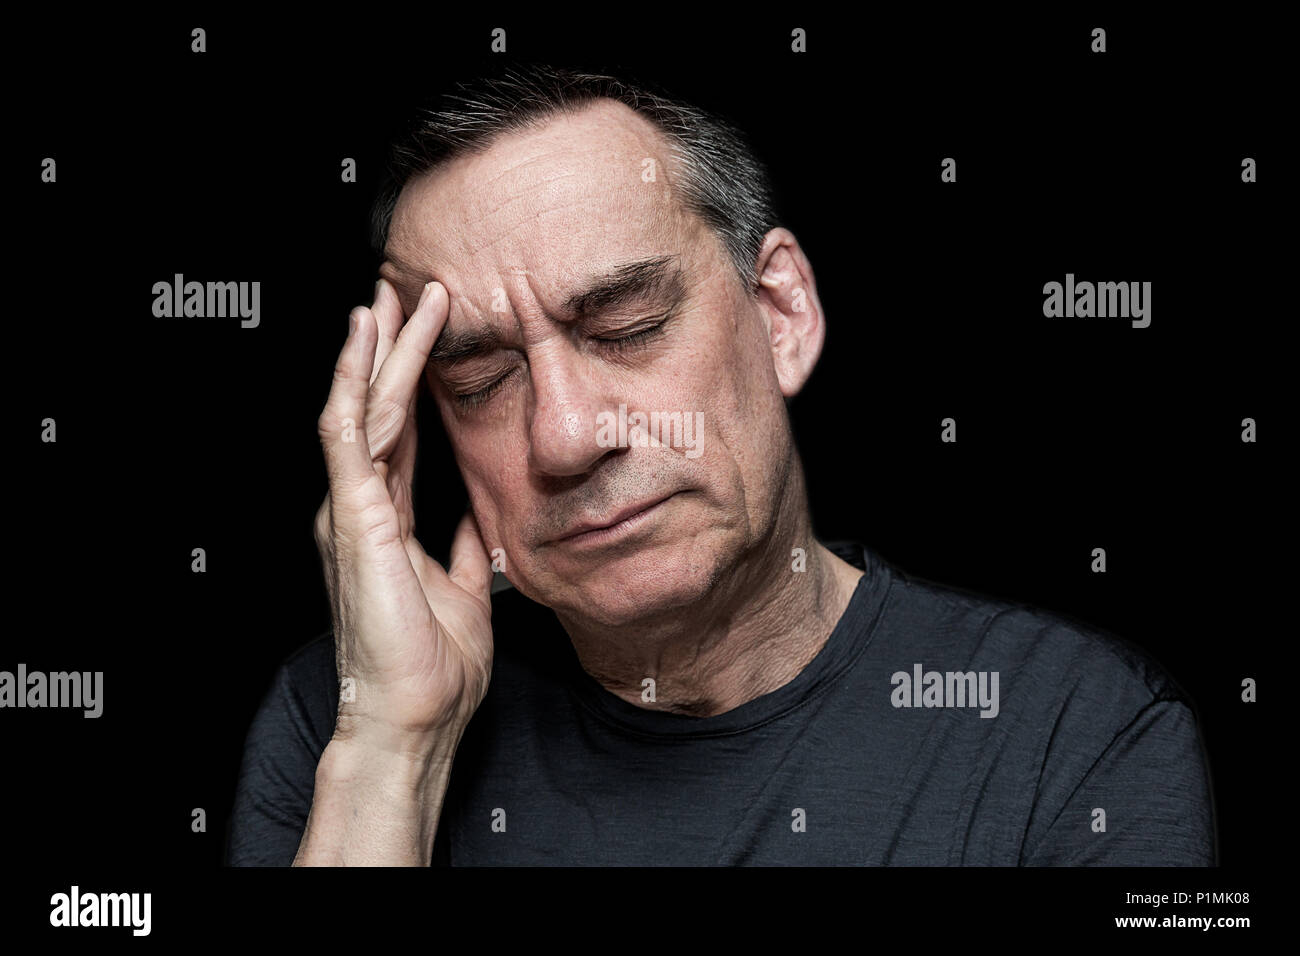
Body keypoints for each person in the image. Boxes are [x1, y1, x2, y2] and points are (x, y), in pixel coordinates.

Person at [227, 66, 1215, 866]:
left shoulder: (1071, 729)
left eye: (628, 323)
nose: (566, 436)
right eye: (482, 379)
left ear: (780, 315)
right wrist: (393, 753)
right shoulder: (338, 721)